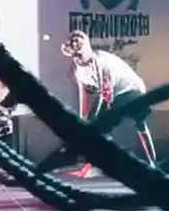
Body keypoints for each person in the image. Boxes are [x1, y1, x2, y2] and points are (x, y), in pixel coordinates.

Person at [61, 30, 155, 178]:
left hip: (130, 88)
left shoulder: (101, 62)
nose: (79, 59)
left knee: (139, 123)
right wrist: (82, 118)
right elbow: (84, 93)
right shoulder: (77, 67)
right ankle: (94, 165)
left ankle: (152, 164)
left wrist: (93, 121)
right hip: (111, 92)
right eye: (76, 56)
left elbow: (106, 95)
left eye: (81, 55)